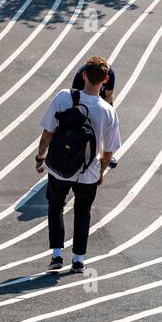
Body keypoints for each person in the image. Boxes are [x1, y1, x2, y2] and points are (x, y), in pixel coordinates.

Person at [36, 56, 122, 273]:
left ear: (83, 75)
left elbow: (48, 132)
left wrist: (40, 157)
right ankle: (78, 258)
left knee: (55, 206)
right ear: (105, 79)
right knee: (83, 211)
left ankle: (57, 254)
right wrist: (101, 171)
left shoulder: (64, 97)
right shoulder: (108, 111)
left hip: (60, 167)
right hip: (89, 171)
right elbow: (109, 150)